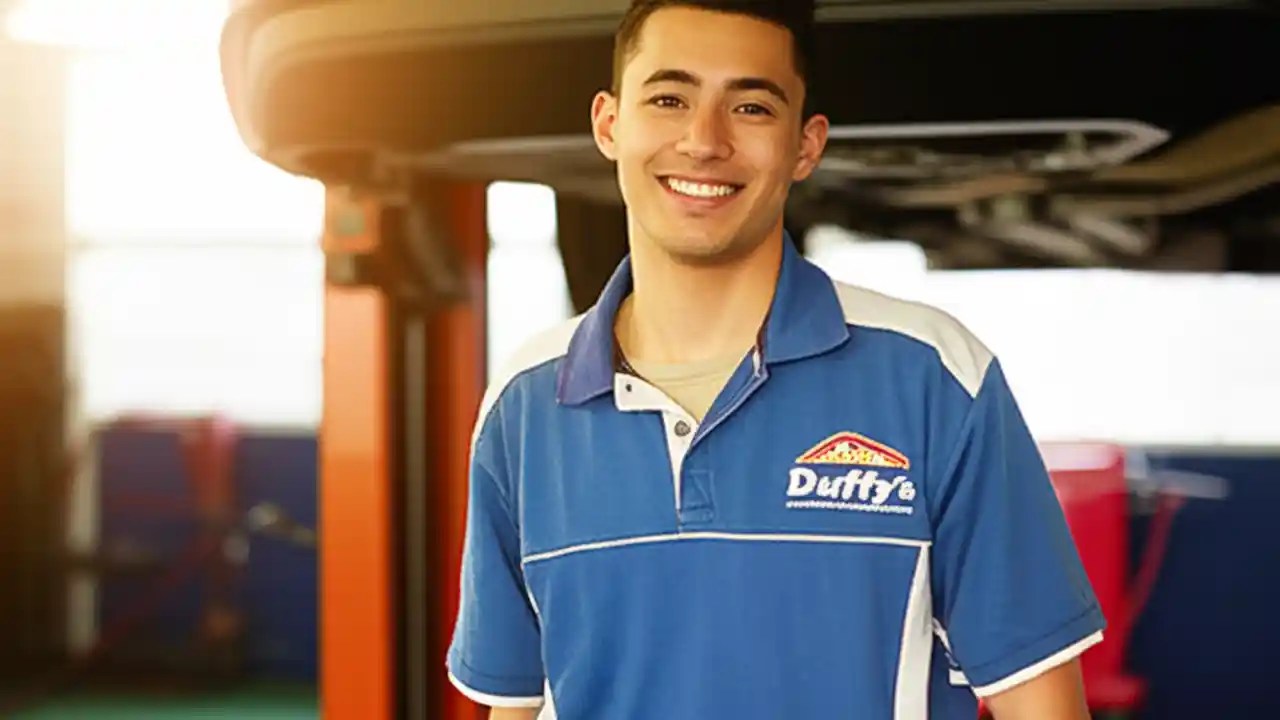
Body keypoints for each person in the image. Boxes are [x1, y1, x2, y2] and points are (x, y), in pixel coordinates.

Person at [446, 1, 1105, 718]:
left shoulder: (934, 378)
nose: (703, 141)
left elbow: (1039, 703)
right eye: (669, 99)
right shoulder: (524, 405)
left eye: (752, 107)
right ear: (609, 123)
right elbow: (512, 705)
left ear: (805, 145)